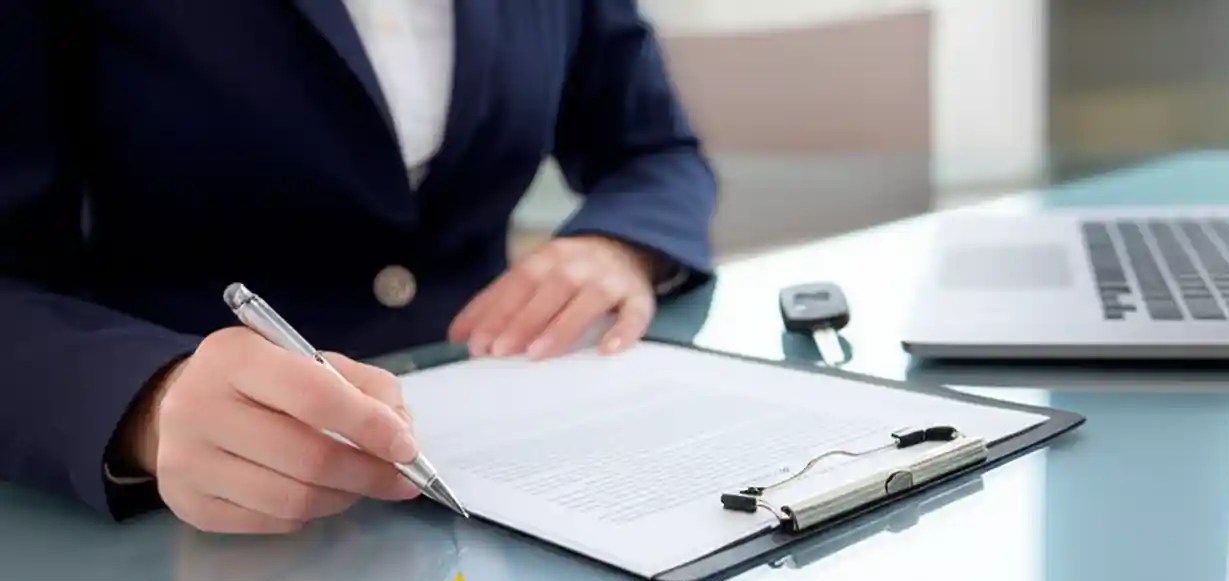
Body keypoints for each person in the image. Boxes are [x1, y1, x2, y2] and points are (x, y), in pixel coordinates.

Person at [0, 0, 715, 533]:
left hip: (512, 452)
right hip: (194, 531)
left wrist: (619, 244)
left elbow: (655, 151)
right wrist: (144, 404)